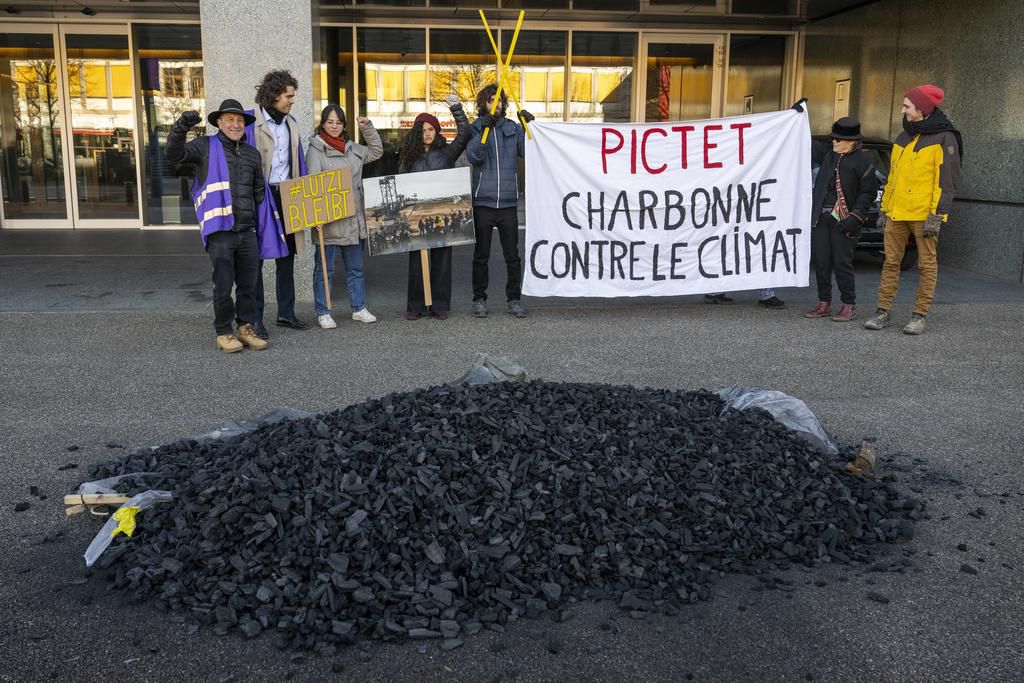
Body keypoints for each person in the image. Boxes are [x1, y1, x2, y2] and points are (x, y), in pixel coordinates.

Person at [166, 100, 285, 353]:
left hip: (247, 231)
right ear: (219, 123)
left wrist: (260, 226)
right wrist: (181, 126)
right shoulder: (204, 147)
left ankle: (245, 327)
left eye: (240, 120)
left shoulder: (252, 153)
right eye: (230, 120)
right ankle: (223, 331)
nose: (235, 124)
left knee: (249, 285)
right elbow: (173, 155)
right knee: (223, 284)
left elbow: (258, 193)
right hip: (220, 231)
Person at [865, 84, 962, 335]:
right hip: (896, 212)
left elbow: (948, 181)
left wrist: (937, 215)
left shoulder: (945, 137)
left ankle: (919, 315)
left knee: (927, 265)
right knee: (890, 263)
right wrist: (885, 209)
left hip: (924, 215)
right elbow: (892, 177)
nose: (902, 110)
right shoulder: (903, 136)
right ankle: (882, 311)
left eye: (907, 106)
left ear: (922, 108)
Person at [305, 105, 383, 329]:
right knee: (325, 270)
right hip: (328, 222)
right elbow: (312, 187)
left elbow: (377, 151)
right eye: (330, 122)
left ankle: (359, 308)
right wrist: (314, 217)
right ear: (323, 124)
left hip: (353, 221)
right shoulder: (315, 150)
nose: (334, 126)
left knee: (356, 269)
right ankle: (323, 311)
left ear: (344, 125)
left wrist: (367, 128)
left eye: (338, 122)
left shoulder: (353, 149)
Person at [398, 94, 471, 320]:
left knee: (442, 260)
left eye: (431, 129)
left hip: (442, 214)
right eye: (423, 129)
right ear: (417, 132)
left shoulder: (447, 153)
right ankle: (416, 305)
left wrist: (456, 108)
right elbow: (401, 181)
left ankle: (439, 304)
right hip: (416, 216)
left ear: (437, 132)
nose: (427, 133)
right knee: (416, 262)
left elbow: (465, 134)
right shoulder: (408, 156)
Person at [248, 69, 308, 337]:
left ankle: (286, 313)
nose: (291, 100)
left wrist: (304, 195)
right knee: (257, 259)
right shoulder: (252, 123)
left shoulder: (291, 123)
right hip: (262, 196)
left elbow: (300, 162)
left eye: (292, 96)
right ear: (273, 95)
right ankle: (255, 318)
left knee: (287, 257)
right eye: (288, 96)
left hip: (288, 193)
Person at [466, 85, 533, 319]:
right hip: (483, 202)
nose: (496, 104)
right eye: (490, 100)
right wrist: (482, 134)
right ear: (483, 103)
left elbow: (528, 151)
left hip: (507, 203)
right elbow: (473, 157)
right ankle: (479, 299)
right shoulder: (477, 128)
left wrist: (529, 126)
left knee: (512, 256)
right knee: (480, 256)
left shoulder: (512, 128)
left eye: (499, 100)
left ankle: (514, 299)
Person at [804, 117, 879, 322]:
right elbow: (804, 142)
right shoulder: (829, 155)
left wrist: (856, 217)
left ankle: (848, 305)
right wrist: (797, 117)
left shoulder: (863, 162)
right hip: (821, 217)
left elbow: (868, 193)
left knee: (842, 263)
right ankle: (824, 302)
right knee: (821, 261)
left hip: (845, 220)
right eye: (834, 139)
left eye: (838, 139)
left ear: (851, 141)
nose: (834, 142)